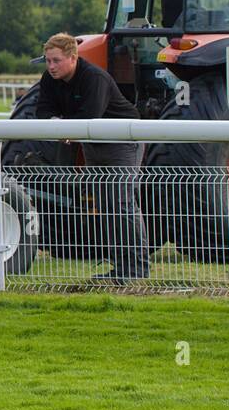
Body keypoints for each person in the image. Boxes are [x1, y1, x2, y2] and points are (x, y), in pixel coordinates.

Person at [36, 32, 150, 281]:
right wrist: (62, 125)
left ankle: (136, 269)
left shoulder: (94, 77)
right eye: (48, 61)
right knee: (107, 206)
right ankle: (121, 268)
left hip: (121, 141)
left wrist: (62, 126)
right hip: (91, 143)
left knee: (121, 204)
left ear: (73, 58)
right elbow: (42, 110)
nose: (51, 67)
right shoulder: (49, 79)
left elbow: (92, 114)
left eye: (56, 61)